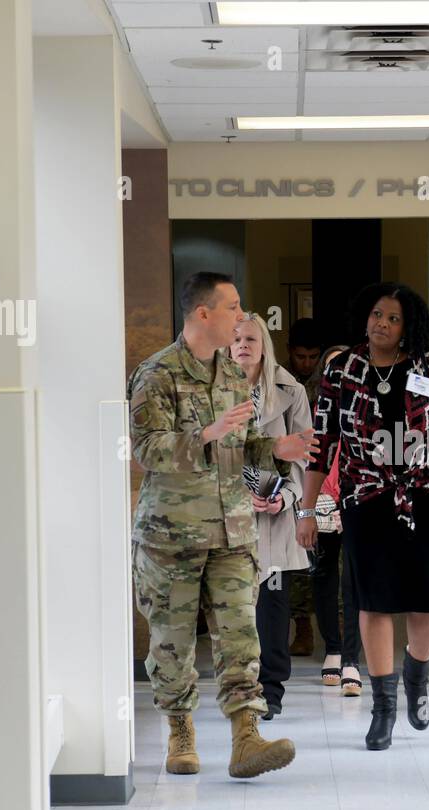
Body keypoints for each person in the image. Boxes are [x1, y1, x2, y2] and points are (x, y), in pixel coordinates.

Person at [128, 271, 318, 777]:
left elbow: (244, 444)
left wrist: (277, 447)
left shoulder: (233, 375)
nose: (241, 315)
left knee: (240, 633)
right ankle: (180, 734)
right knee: (172, 640)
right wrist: (207, 434)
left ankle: (245, 738)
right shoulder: (157, 374)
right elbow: (147, 451)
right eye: (233, 307)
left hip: (234, 531)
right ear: (203, 314)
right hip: (173, 536)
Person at [296, 283, 429, 750]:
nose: (381, 325)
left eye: (392, 318)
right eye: (376, 315)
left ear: (408, 325)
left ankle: (417, 674)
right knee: (374, 602)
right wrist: (307, 510)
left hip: (424, 497)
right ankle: (384, 706)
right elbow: (321, 445)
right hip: (364, 500)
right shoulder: (343, 369)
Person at [228, 313, 312, 720]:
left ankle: (272, 689)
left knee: (272, 603)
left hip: (276, 513)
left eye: (251, 339)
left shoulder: (290, 390)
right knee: (234, 604)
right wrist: (241, 488)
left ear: (264, 345)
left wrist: (288, 498)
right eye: (236, 338)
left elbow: (304, 454)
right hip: (230, 512)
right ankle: (239, 686)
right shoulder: (214, 390)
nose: (243, 345)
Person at [308, 345, 363, 694]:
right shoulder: (311, 407)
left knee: (356, 579)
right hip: (324, 495)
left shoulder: (368, 406)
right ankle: (332, 648)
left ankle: (353, 659)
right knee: (324, 573)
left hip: (361, 494)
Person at [284, 317, 325, 659]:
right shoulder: (278, 382)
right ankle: (301, 628)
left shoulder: (328, 382)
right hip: (288, 475)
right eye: (301, 356)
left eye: (313, 356)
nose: (307, 363)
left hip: (324, 477)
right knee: (295, 560)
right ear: (290, 354)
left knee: (326, 558)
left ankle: (337, 639)